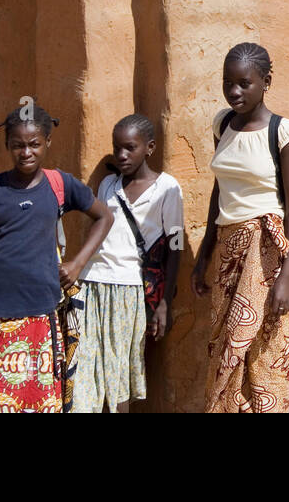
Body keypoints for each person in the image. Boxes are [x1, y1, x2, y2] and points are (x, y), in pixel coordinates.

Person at [0, 104, 113, 413]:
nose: (26, 152)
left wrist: (77, 263)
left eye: (34, 144)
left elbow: (104, 217)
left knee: (41, 406)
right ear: (7, 146)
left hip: (41, 319)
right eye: (18, 145)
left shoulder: (59, 185)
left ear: (47, 143)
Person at [192, 42, 289, 413]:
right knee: (226, 350)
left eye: (244, 83)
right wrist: (205, 252)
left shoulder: (285, 132)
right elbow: (219, 191)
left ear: (266, 82)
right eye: (228, 83)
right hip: (229, 252)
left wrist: (287, 275)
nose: (234, 91)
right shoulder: (222, 124)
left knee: (263, 354)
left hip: (268, 253)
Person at [72, 114, 184, 413]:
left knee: (118, 373)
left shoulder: (167, 188)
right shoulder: (108, 185)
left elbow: (176, 248)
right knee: (84, 367)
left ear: (149, 147)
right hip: (91, 284)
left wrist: (164, 304)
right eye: (117, 148)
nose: (121, 155)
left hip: (129, 290)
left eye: (130, 148)